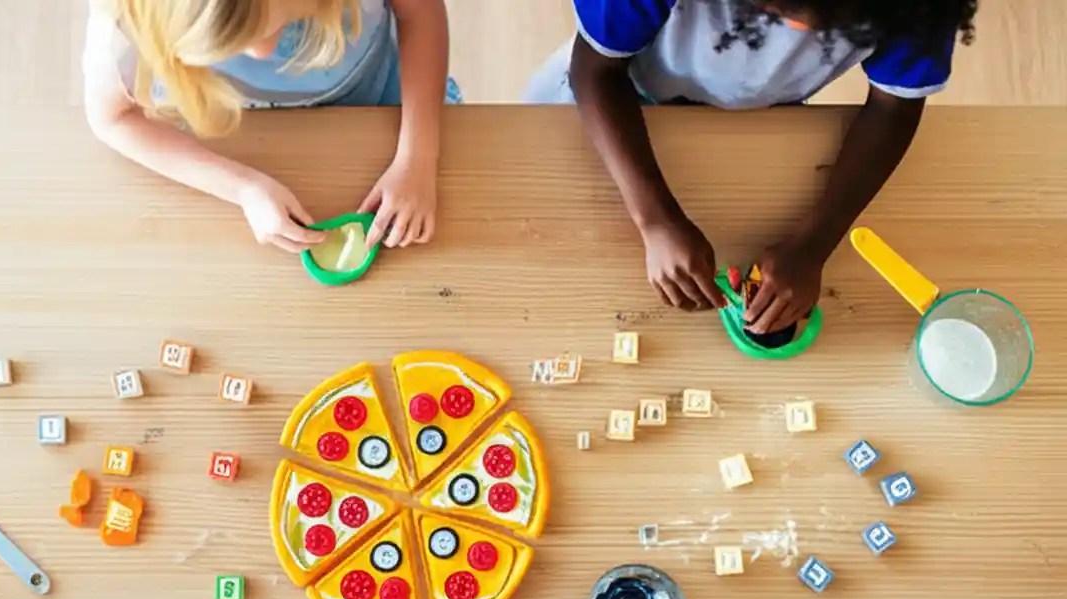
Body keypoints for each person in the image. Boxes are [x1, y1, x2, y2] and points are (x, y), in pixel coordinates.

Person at [525, 0, 978, 334]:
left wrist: (814, 243)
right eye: (783, 11)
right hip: (616, 99)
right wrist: (656, 220)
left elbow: (894, 109)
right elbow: (595, 70)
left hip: (762, 122)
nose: (800, 27)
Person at [83, 0, 453, 254]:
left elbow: (420, 12)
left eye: (281, 22)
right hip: (245, 135)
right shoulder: (124, 19)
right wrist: (242, 188)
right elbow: (112, 118)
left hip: (380, 99)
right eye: (237, 41)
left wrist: (417, 157)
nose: (264, 52)